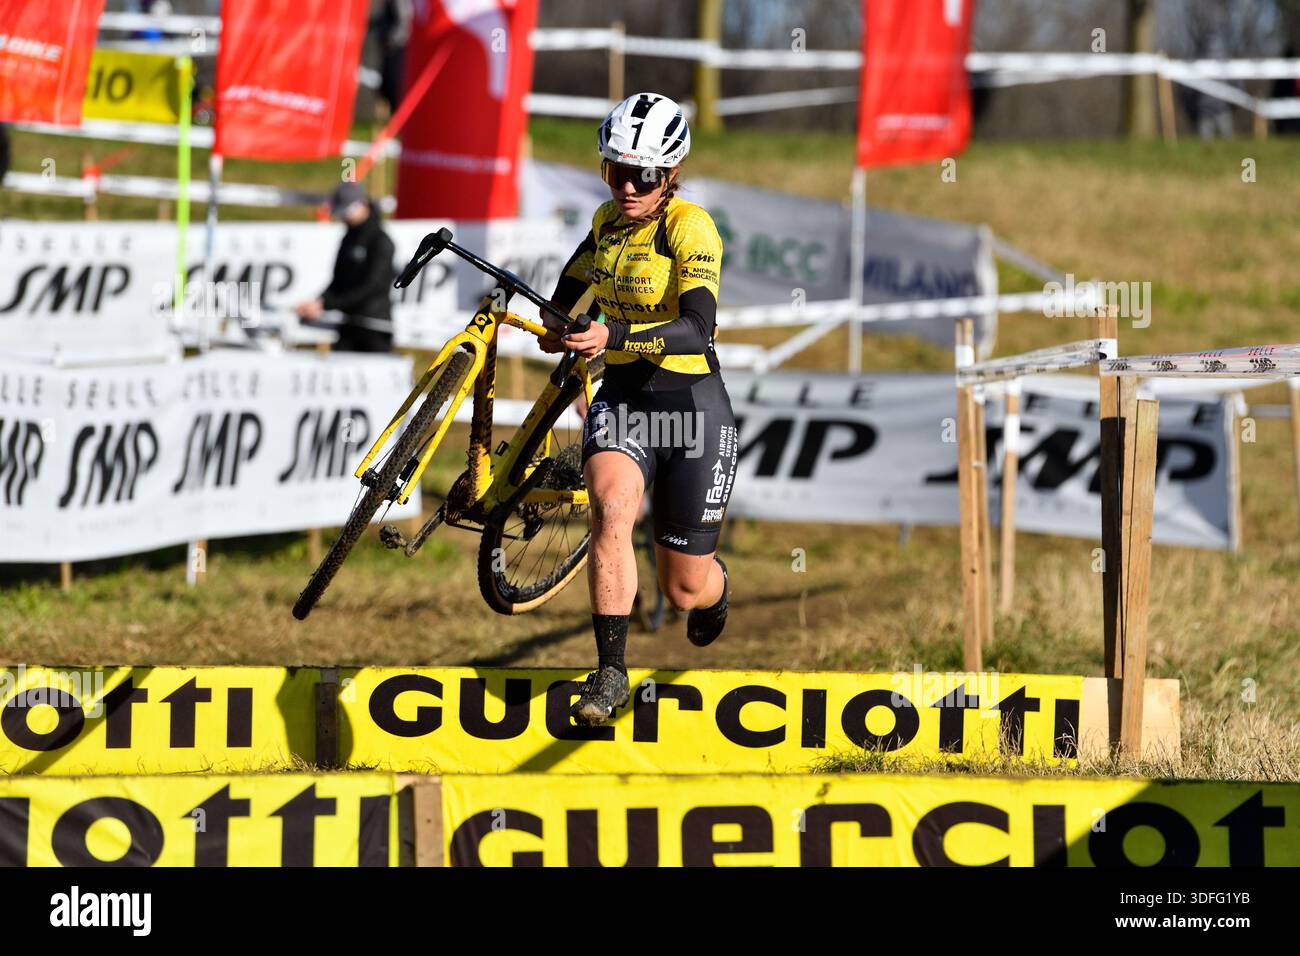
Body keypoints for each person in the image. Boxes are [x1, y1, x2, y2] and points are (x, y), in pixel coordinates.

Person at [540, 92, 738, 726]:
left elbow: (697, 328)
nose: (626, 185)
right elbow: (567, 292)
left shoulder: (690, 227)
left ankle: (715, 589)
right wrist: (556, 323)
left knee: (684, 588)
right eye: (614, 170)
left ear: (669, 174)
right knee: (613, 507)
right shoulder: (605, 223)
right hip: (624, 398)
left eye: (642, 174)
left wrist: (613, 337)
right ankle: (610, 670)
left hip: (690, 405)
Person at [296, 182, 395, 352]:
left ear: (362, 205)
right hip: (347, 325)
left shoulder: (381, 242)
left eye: (346, 211)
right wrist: (319, 302)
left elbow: (371, 287)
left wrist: (326, 304)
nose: (344, 217)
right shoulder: (348, 239)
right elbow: (338, 280)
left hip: (374, 329)